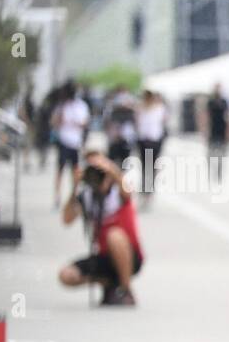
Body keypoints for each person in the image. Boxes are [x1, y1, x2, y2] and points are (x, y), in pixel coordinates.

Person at [58, 150, 145, 307]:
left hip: (130, 257)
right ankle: (110, 284)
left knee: (114, 235)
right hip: (103, 257)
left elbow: (128, 191)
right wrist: (75, 186)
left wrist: (111, 170)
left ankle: (126, 290)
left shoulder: (117, 192)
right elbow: (67, 219)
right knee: (66, 275)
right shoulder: (87, 196)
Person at [51, 81, 90, 208]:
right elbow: (54, 122)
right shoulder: (62, 106)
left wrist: (75, 122)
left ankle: (74, 195)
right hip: (63, 141)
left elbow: (85, 122)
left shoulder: (81, 106)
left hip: (75, 143)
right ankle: (57, 197)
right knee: (60, 170)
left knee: (75, 171)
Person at [135, 90, 168, 205]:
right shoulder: (140, 108)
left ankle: (149, 189)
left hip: (154, 140)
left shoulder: (159, 108)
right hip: (143, 140)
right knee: (145, 165)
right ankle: (145, 187)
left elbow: (163, 122)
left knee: (153, 165)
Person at [201, 85, 229, 188]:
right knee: (210, 154)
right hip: (212, 131)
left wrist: (228, 131)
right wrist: (205, 131)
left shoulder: (224, 102)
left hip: (221, 131)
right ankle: (210, 171)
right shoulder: (210, 102)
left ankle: (218, 172)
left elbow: (228, 117)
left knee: (221, 154)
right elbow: (206, 116)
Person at [103, 84, 138, 168]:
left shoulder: (131, 110)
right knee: (112, 162)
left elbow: (136, 122)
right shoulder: (111, 108)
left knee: (124, 162)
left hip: (126, 138)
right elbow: (106, 122)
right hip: (114, 139)